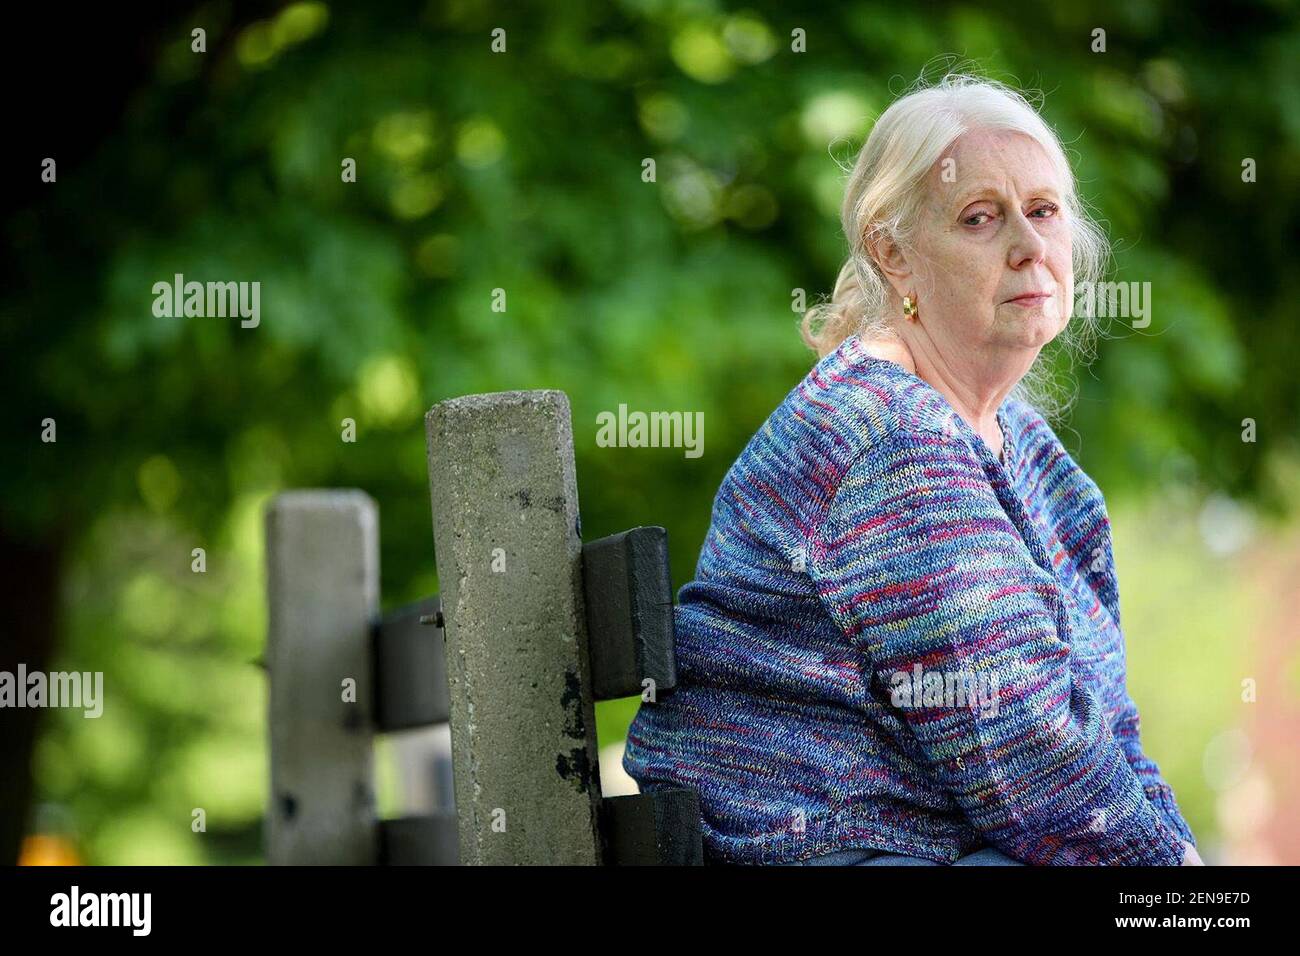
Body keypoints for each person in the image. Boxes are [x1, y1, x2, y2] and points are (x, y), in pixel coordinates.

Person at [622, 72, 1203, 866]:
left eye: (1043, 212)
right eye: (980, 218)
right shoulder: (885, 436)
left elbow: (1106, 727)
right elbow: (1025, 752)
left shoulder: (1040, 464)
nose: (1030, 247)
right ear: (892, 252)